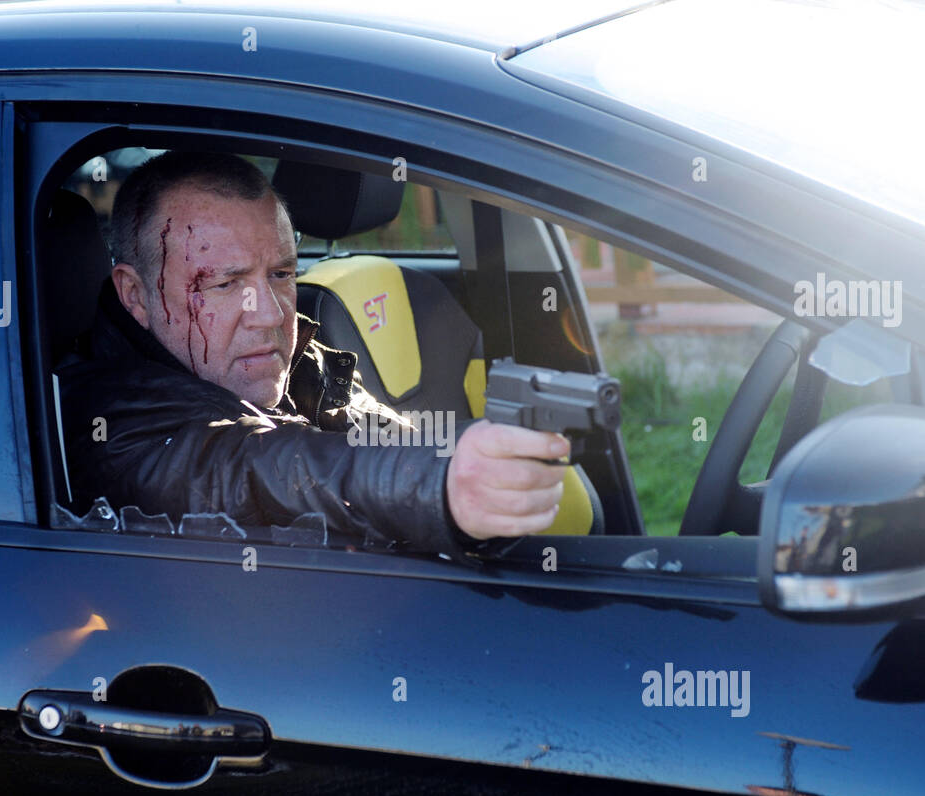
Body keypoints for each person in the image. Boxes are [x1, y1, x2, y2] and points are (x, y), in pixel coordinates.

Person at [57, 151, 567, 554]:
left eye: (280, 274)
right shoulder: (104, 423)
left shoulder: (301, 358)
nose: (271, 313)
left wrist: (453, 458)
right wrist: (434, 483)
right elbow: (249, 469)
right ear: (135, 296)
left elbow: (380, 438)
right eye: (225, 283)